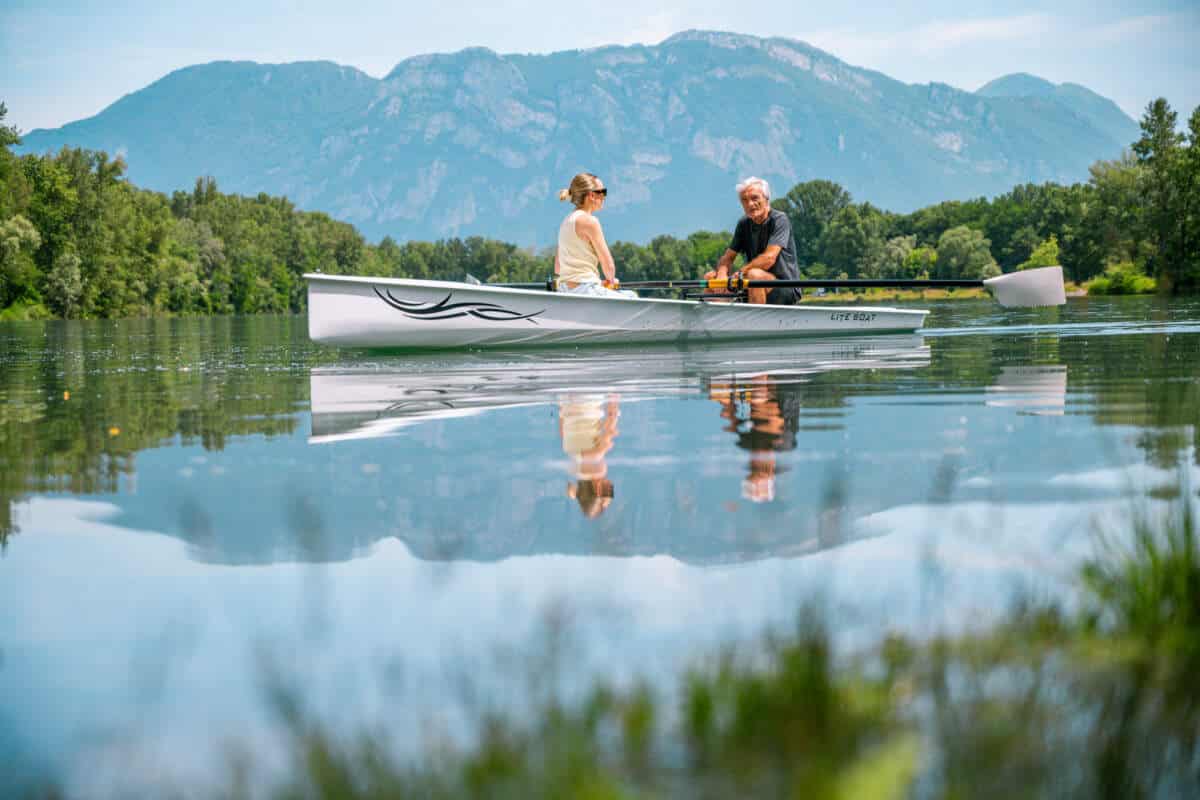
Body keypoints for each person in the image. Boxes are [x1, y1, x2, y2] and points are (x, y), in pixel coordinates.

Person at [704, 176, 802, 305]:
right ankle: (716, 321)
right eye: (744, 200)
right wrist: (722, 274)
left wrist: (740, 273)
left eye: (755, 198)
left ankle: (755, 322)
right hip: (752, 283)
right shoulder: (744, 223)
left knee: (754, 275)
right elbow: (728, 257)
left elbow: (769, 258)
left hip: (785, 288)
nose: (750, 204)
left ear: (766, 199)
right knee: (711, 277)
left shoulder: (779, 220)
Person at [555, 173, 636, 298]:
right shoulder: (590, 221)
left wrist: (597, 283)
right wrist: (611, 280)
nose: (604, 196)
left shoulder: (565, 222)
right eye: (602, 192)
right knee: (632, 296)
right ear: (592, 195)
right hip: (585, 290)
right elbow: (609, 268)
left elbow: (558, 268)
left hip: (564, 290)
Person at [559, 393, 621, 518]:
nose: (605, 476)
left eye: (604, 480)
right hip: (566, 399)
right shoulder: (572, 457)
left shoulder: (597, 456)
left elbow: (611, 418)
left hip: (589, 398)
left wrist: (614, 401)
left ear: (598, 486)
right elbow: (562, 429)